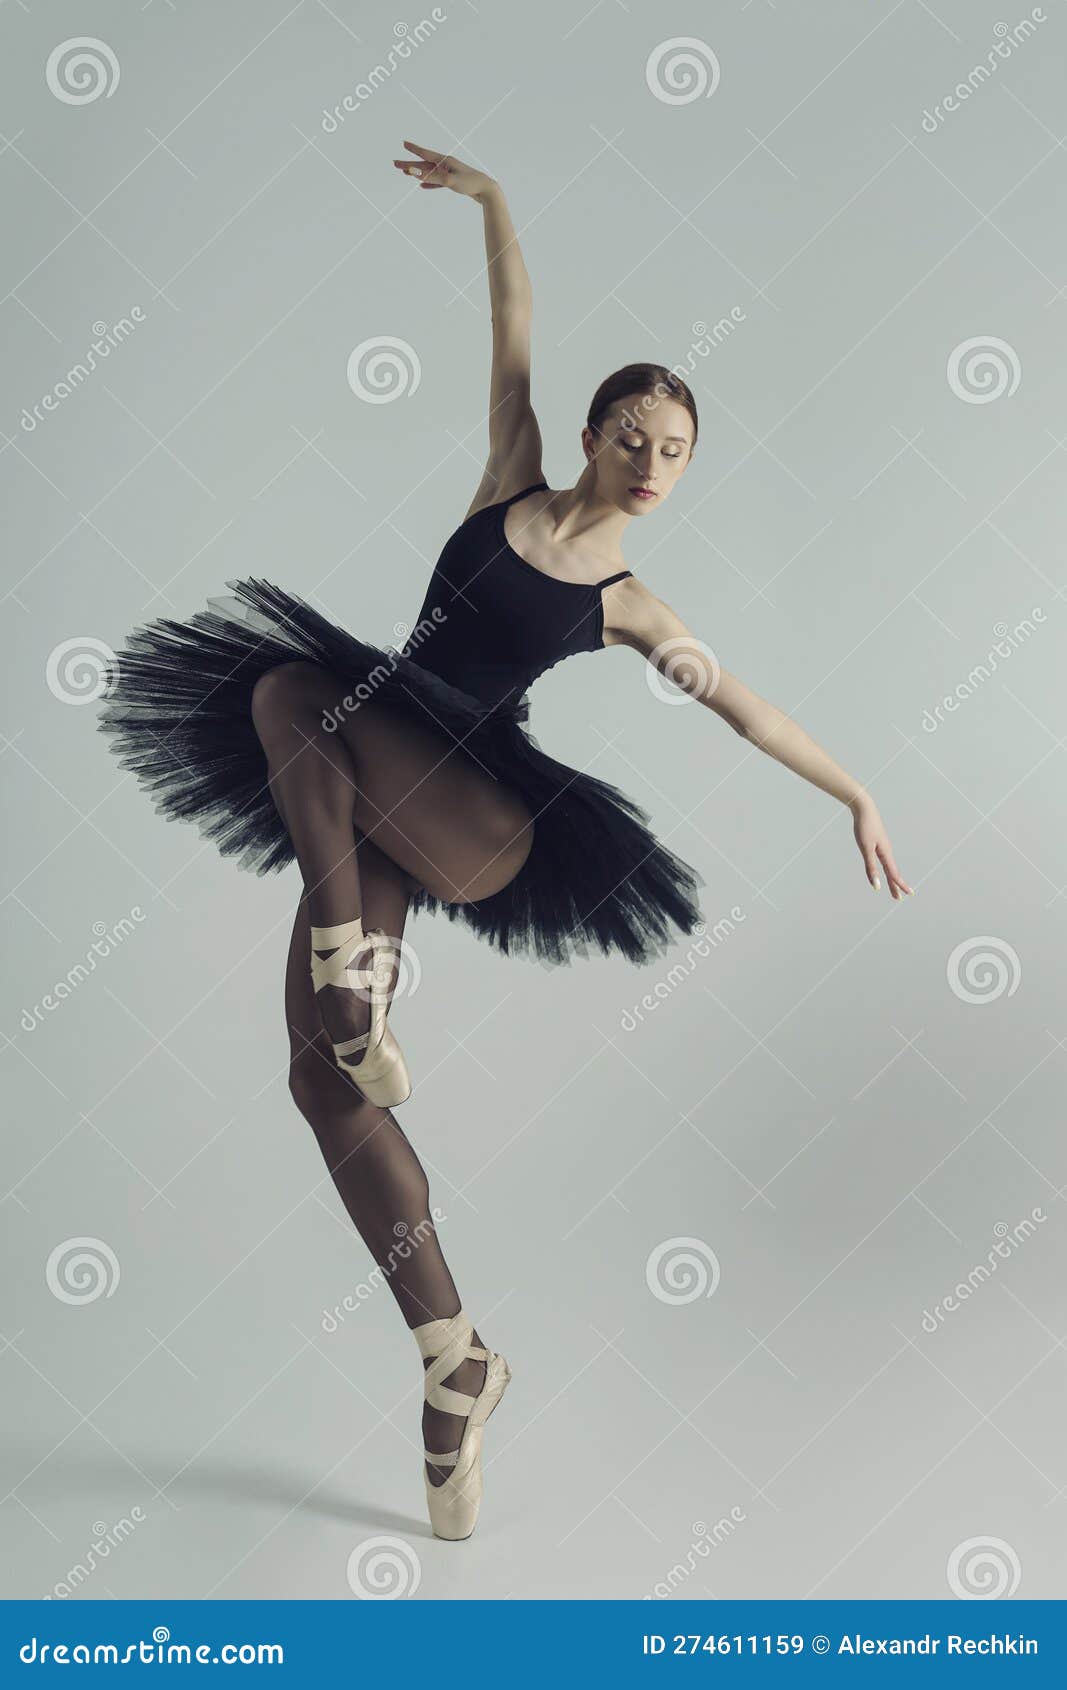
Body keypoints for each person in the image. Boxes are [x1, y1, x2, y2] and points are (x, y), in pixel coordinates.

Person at [98, 142, 913, 1541]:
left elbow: (748, 712)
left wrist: (855, 790)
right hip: (375, 793)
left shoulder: (632, 605)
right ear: (591, 432)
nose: (652, 465)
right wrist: (495, 206)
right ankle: (456, 1356)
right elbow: (515, 331)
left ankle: (362, 983)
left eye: (676, 454)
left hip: (479, 814)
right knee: (319, 1082)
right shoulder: (504, 477)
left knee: (292, 689)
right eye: (634, 437)